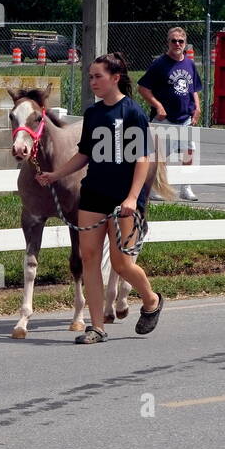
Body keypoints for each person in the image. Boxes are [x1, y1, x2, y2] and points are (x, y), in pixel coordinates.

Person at [37, 53, 169, 343]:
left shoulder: (132, 112)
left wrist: (133, 198)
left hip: (123, 199)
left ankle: (151, 300)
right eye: (90, 76)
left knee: (122, 264)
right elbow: (84, 154)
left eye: (98, 76)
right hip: (93, 194)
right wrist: (55, 175)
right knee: (89, 259)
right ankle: (96, 326)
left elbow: (143, 159)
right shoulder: (94, 114)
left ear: (115, 78)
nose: (93, 81)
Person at [138, 27, 202, 201]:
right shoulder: (159, 64)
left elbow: (194, 89)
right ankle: (152, 188)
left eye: (180, 41)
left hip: (185, 117)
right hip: (165, 118)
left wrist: (197, 107)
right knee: (159, 156)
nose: (177, 44)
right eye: (173, 41)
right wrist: (158, 105)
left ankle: (185, 188)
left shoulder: (189, 63)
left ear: (185, 43)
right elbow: (143, 88)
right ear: (168, 43)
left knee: (189, 151)